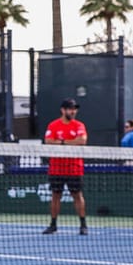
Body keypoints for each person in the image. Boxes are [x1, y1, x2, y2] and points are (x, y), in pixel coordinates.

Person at [42, 97, 87, 235]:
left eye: (74, 109)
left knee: (77, 195)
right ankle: (53, 224)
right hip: (56, 168)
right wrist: (68, 142)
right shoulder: (53, 125)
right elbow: (48, 141)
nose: (73, 111)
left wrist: (61, 142)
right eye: (70, 109)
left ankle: (83, 225)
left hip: (74, 167)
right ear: (63, 110)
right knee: (55, 195)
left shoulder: (79, 125)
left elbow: (82, 141)